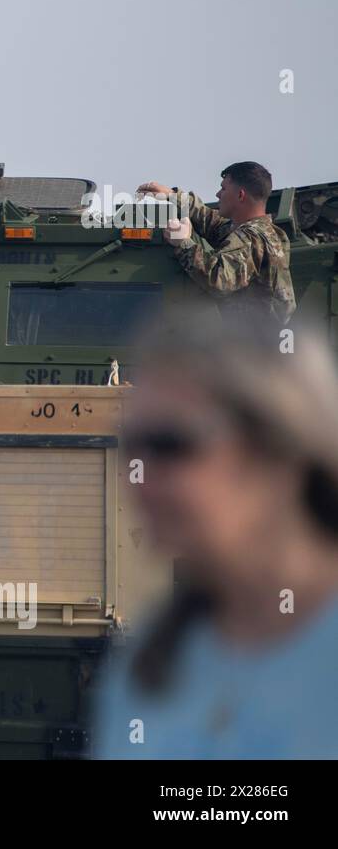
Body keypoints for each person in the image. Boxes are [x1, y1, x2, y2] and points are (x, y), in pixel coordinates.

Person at [92, 316, 338, 758]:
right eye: (131, 446)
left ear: (275, 453)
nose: (138, 474)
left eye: (169, 445)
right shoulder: (150, 664)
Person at [136, 162, 295, 323]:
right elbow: (213, 223)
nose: (218, 194)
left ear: (240, 195)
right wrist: (173, 196)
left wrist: (183, 244)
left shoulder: (250, 238)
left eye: (224, 189)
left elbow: (218, 279)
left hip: (253, 342)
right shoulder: (266, 231)